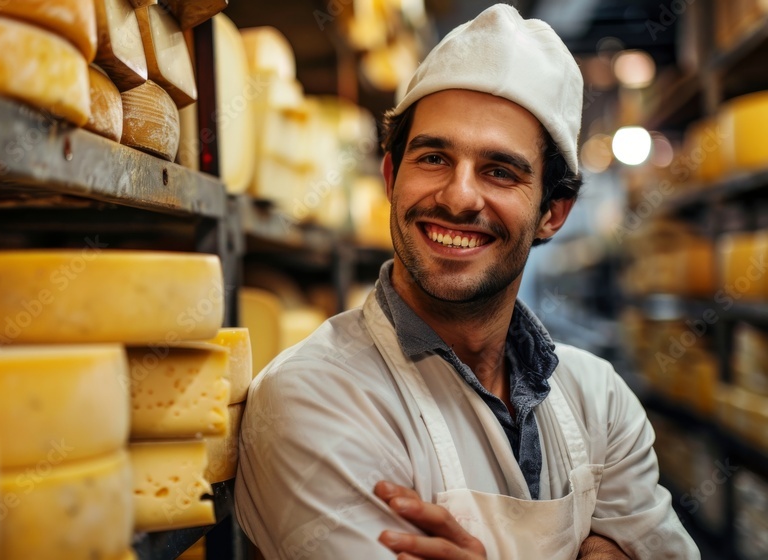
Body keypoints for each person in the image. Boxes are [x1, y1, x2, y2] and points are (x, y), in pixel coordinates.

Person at [234, 4, 700, 559]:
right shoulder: (314, 398)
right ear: (390, 176)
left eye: (500, 171)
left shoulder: (599, 399)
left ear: (553, 212)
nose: (457, 197)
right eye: (433, 157)